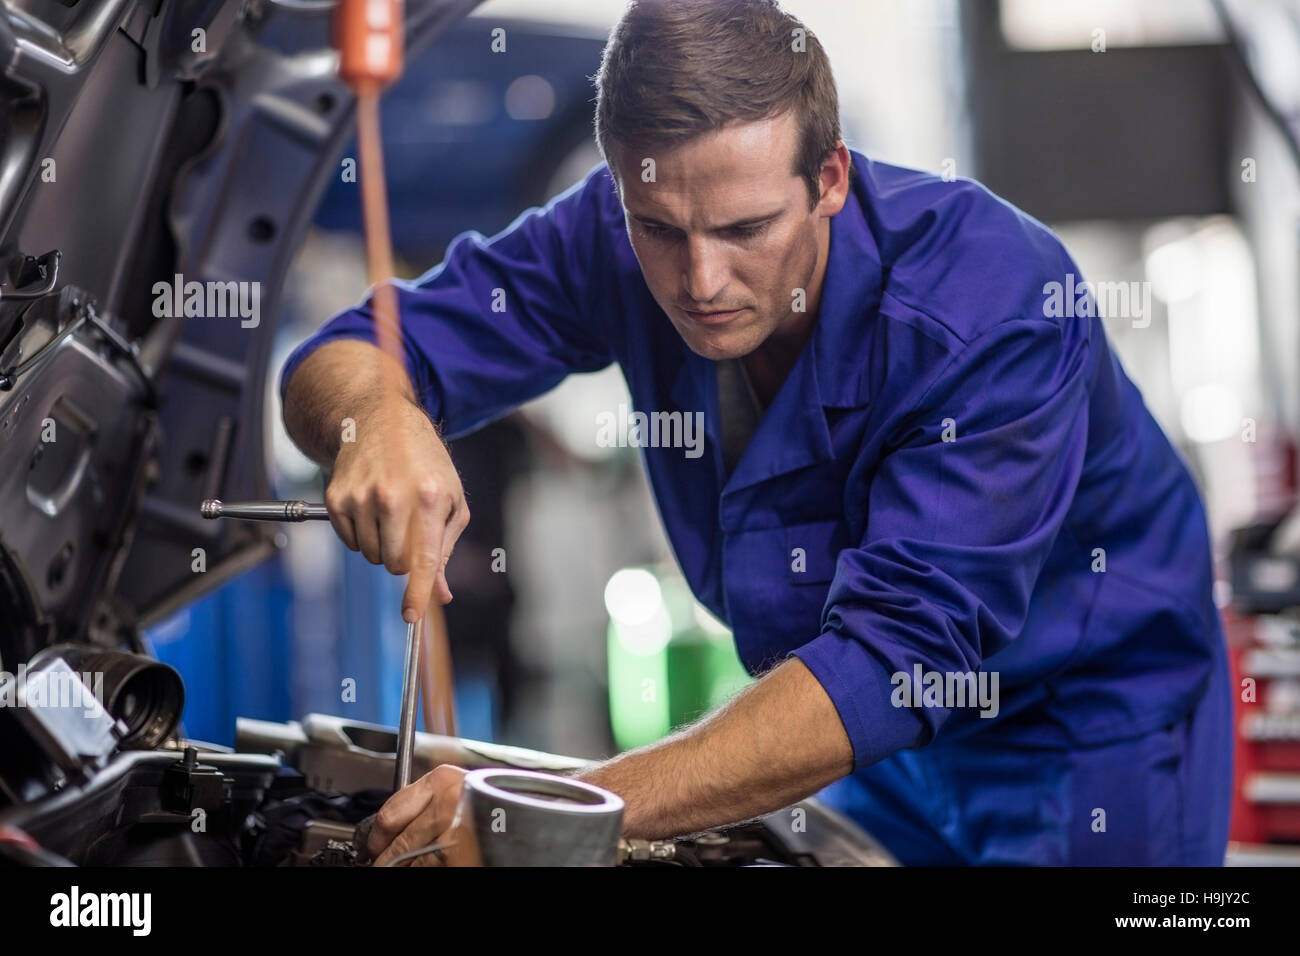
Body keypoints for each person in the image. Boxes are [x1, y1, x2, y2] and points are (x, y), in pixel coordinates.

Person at [280, 0, 1232, 866]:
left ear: (829, 178)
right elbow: (349, 350)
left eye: (745, 228)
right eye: (659, 228)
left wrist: (549, 812)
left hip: (1087, 726)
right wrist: (378, 418)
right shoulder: (611, 234)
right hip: (854, 739)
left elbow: (899, 664)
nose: (700, 281)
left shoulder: (993, 304)